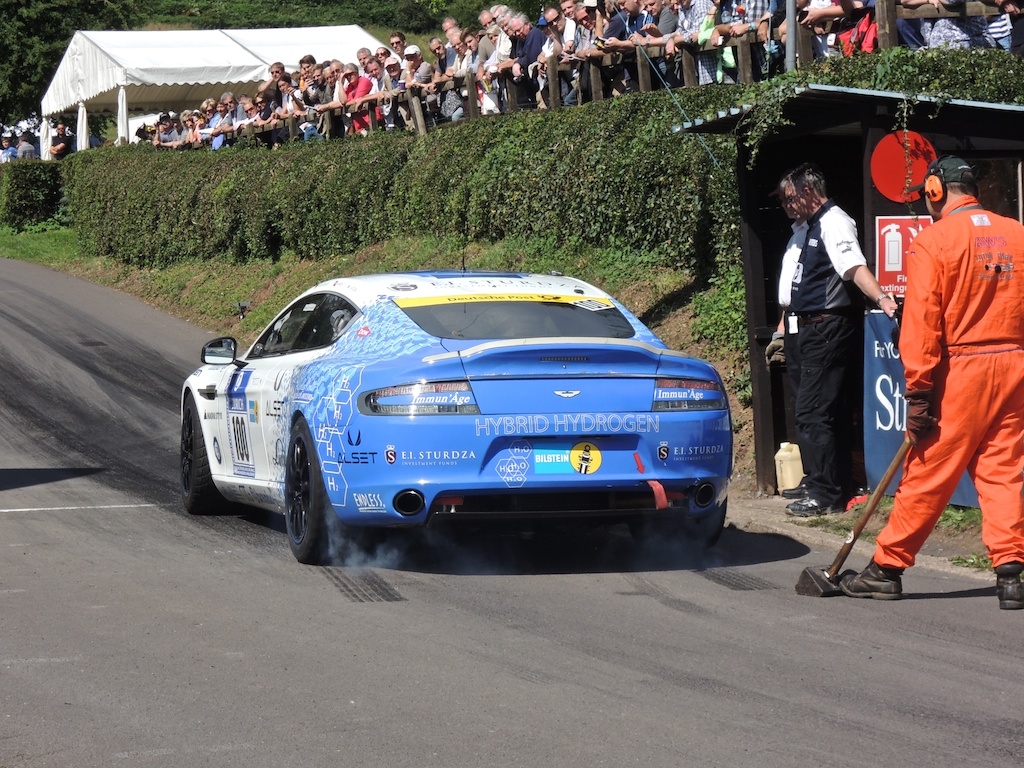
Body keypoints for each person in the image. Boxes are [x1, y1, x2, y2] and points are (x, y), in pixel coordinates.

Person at [841, 157, 1024, 608]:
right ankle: (1012, 574)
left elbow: (920, 326)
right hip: (1014, 365)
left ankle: (886, 568)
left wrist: (919, 392)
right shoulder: (1018, 235)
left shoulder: (934, 242)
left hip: (961, 372)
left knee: (927, 473)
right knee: (1003, 473)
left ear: (936, 191)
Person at [768, 163, 897, 517]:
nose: (786, 205)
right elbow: (796, 283)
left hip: (826, 327)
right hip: (803, 327)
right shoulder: (807, 227)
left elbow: (854, 267)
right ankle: (821, 481)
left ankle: (826, 494)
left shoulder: (834, 221)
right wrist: (783, 326)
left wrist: (882, 299)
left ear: (808, 192)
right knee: (812, 410)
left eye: (791, 198)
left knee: (814, 411)